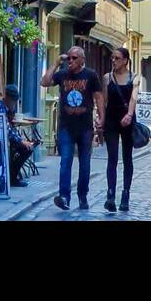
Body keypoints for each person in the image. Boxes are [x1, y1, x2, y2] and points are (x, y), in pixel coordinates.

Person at [40, 46, 102, 211]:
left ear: (82, 59)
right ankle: (64, 197)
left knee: (84, 163)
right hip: (66, 126)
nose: (71, 61)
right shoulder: (62, 74)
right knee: (65, 161)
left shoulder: (90, 75)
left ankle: (83, 196)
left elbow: (98, 96)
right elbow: (44, 82)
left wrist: (101, 117)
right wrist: (55, 64)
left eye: (74, 58)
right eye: (69, 58)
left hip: (85, 126)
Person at [99, 46, 140, 213]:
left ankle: (125, 195)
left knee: (127, 158)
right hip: (111, 121)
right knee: (112, 158)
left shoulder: (135, 78)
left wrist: (129, 115)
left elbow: (133, 98)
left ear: (125, 60)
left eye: (117, 58)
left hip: (127, 121)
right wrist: (100, 120)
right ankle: (110, 195)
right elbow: (104, 101)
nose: (113, 61)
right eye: (112, 58)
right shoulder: (107, 78)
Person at [0, 83, 35, 188]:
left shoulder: (8, 108)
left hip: (5, 137)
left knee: (27, 147)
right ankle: (12, 177)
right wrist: (21, 141)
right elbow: (5, 129)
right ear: (7, 98)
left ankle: (12, 175)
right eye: (14, 100)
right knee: (26, 149)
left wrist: (21, 140)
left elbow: (10, 127)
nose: (15, 103)